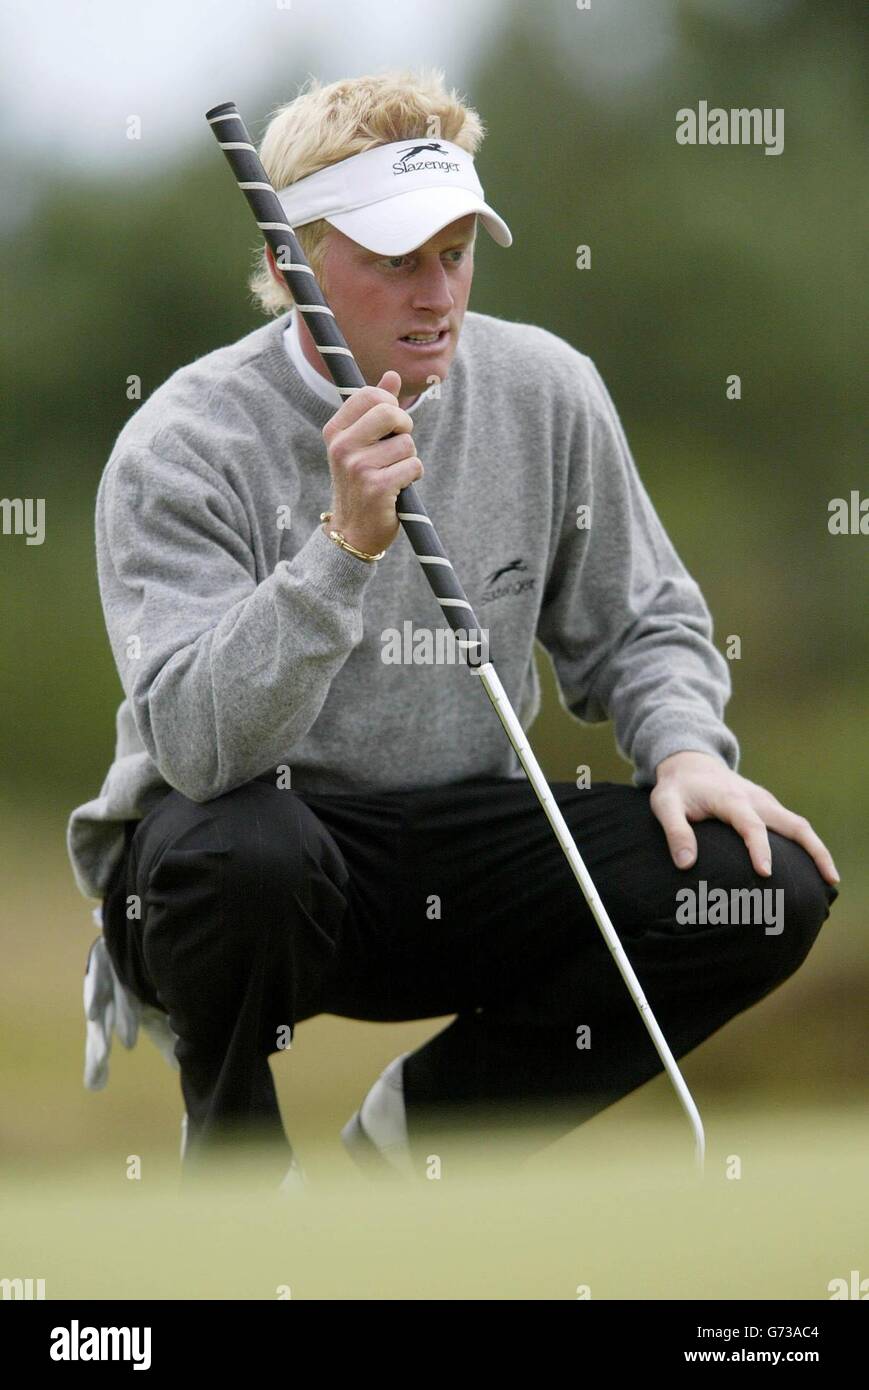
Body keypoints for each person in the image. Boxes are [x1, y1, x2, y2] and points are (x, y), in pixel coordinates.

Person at [68, 69, 839, 1188]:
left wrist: (680, 749)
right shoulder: (183, 442)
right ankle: (233, 1168)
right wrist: (340, 550)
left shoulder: (544, 389)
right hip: (249, 873)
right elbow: (196, 746)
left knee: (762, 881)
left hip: (463, 844)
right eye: (394, 260)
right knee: (246, 854)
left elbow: (644, 624)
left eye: (456, 251)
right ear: (292, 267)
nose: (438, 295)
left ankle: (421, 1137)